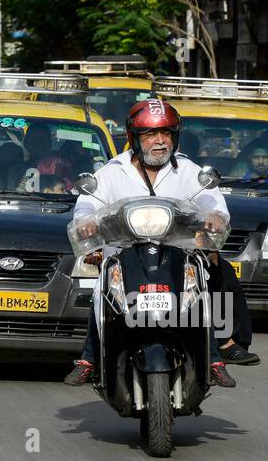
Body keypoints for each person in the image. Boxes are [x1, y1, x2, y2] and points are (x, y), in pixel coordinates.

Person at [64, 97, 249, 389]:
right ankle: (90, 358)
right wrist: (87, 221)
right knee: (102, 289)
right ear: (133, 138)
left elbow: (213, 202)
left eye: (166, 133)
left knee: (202, 285)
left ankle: (213, 358)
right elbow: (88, 203)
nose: (160, 141)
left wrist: (214, 216)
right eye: (150, 134)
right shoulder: (114, 171)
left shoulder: (188, 171)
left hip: (178, 256)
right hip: (125, 255)